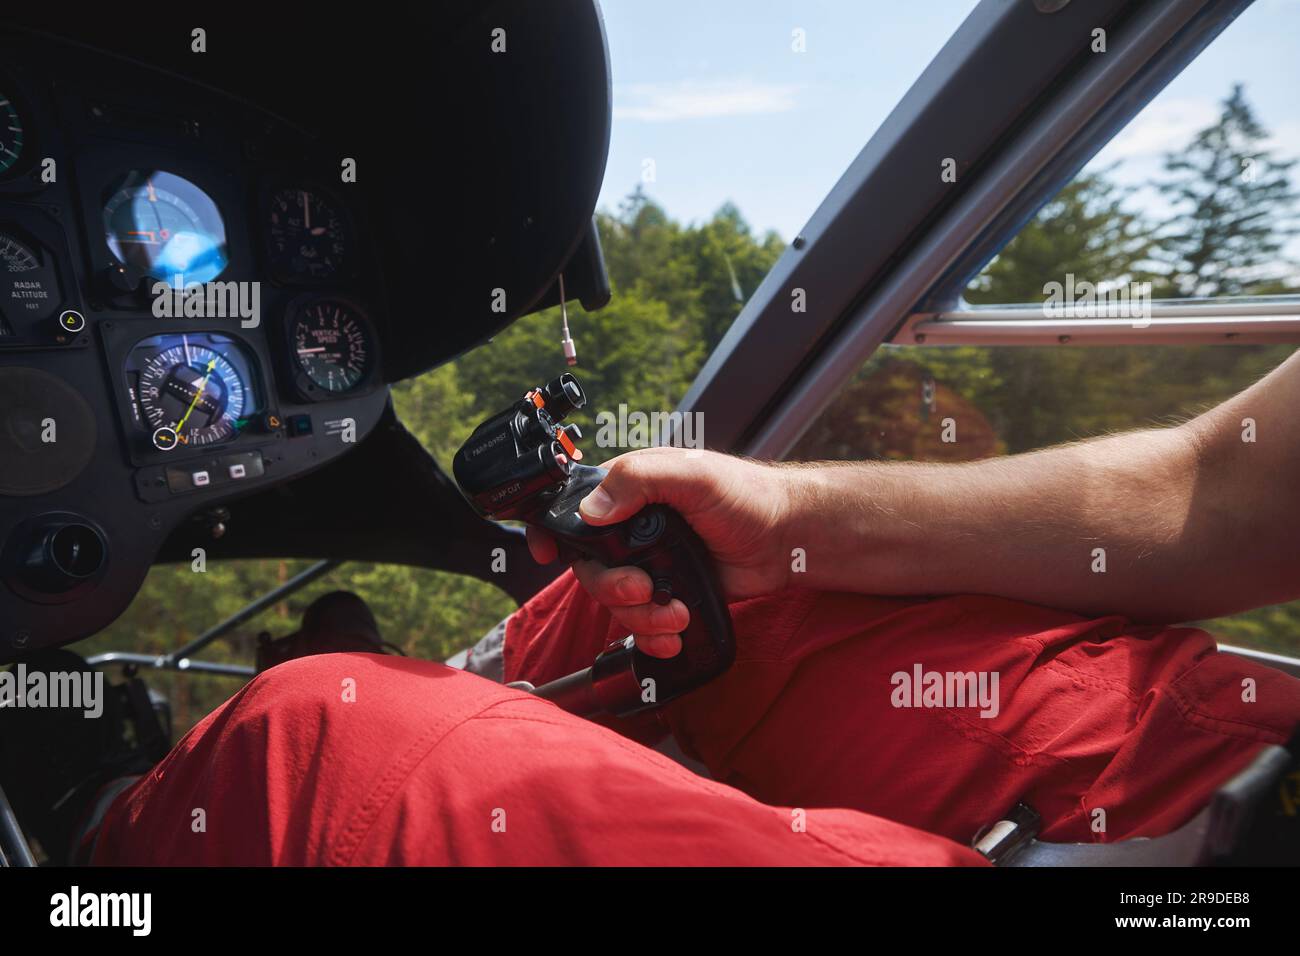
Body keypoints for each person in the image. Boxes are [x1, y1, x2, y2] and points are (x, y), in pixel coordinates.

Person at [90, 353, 1300, 865]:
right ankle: (474, 700)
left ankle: (102, 834)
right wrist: (794, 521)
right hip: (1233, 769)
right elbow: (1224, 486)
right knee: (671, 598)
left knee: (312, 742)